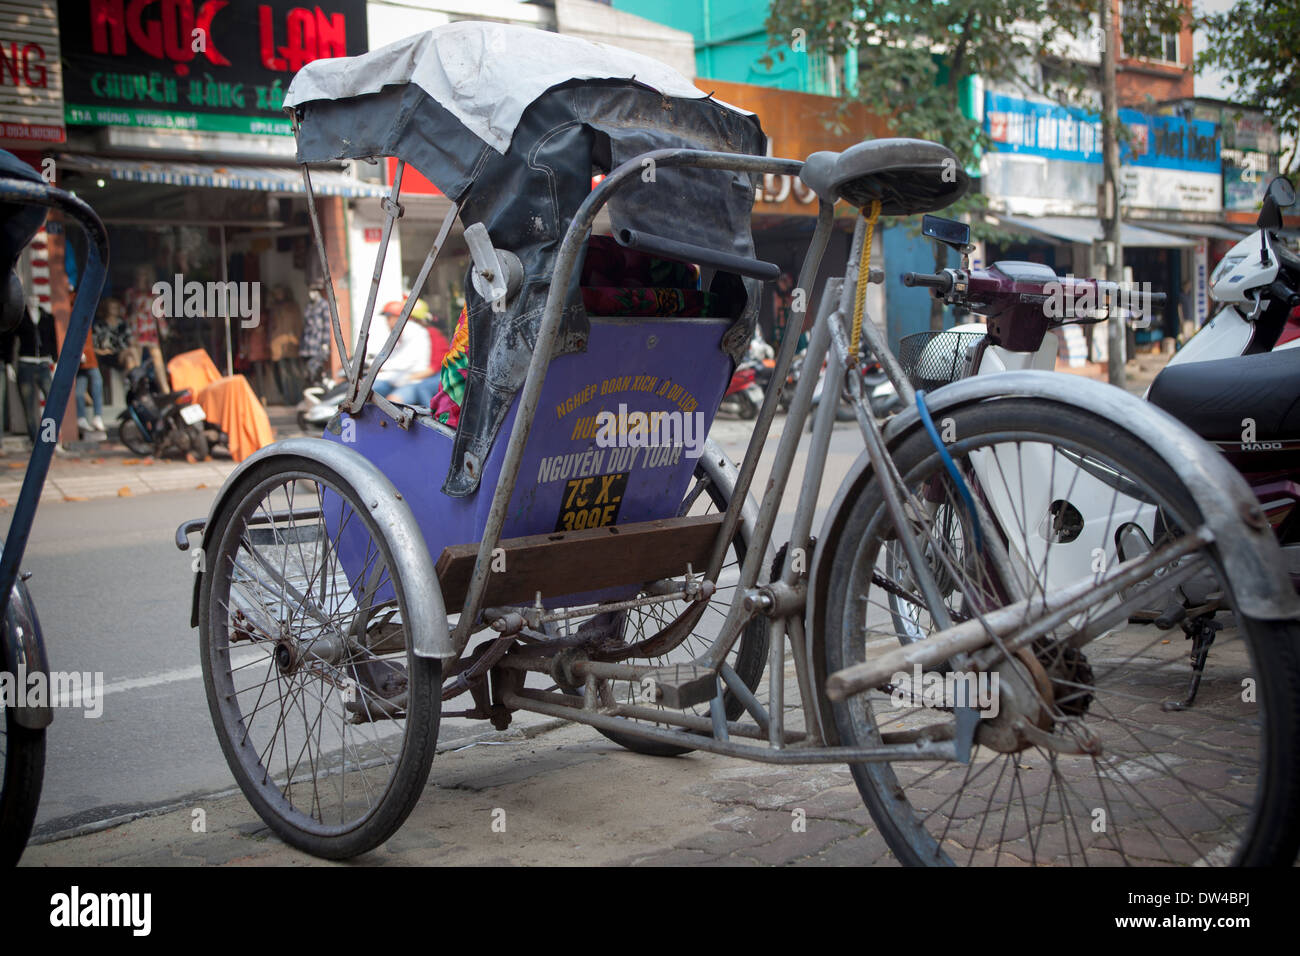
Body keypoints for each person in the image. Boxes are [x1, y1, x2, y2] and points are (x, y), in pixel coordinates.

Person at [365, 300, 435, 397]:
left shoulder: (413, 331)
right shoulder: (397, 333)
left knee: (391, 400)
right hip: (398, 379)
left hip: (414, 380)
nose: (387, 322)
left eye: (389, 317)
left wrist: (380, 366)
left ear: (398, 317)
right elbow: (388, 353)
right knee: (365, 389)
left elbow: (407, 360)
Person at [122, 265, 167, 377]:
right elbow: (124, 312)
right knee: (136, 361)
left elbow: (159, 313)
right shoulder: (130, 293)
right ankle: (137, 386)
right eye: (139, 275)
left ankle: (164, 388)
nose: (141, 277)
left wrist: (164, 330)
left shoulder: (154, 293)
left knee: (157, 360)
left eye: (144, 275)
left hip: (150, 328)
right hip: (136, 328)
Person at [267, 285, 303, 403]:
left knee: (295, 372)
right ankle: (287, 399)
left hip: (291, 341)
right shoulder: (274, 308)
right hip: (277, 344)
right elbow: (271, 326)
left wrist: (297, 338)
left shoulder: (293, 307)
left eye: (280, 293)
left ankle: (298, 397)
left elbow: (298, 323)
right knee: (282, 373)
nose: (278, 295)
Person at [300, 281, 332, 385]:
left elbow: (326, 325)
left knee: (315, 369)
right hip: (307, 344)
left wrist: (325, 343)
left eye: (313, 291)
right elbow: (305, 324)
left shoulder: (323, 305)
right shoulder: (309, 306)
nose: (311, 294)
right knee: (307, 372)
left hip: (318, 344)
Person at [75, 335, 105, 435]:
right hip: (87, 357)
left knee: (80, 388)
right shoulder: (82, 321)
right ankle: (96, 416)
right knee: (97, 383)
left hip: (85, 357)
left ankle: (82, 417)